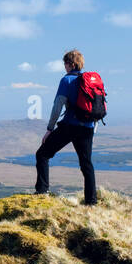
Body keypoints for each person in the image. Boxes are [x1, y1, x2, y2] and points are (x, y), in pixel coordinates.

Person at [35, 49, 97, 205]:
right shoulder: (90, 81)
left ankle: (42, 191)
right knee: (86, 164)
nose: (64, 67)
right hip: (88, 127)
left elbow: (57, 106)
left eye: (65, 64)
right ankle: (91, 202)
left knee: (42, 154)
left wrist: (49, 129)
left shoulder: (66, 80)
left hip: (70, 125)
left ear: (71, 64)